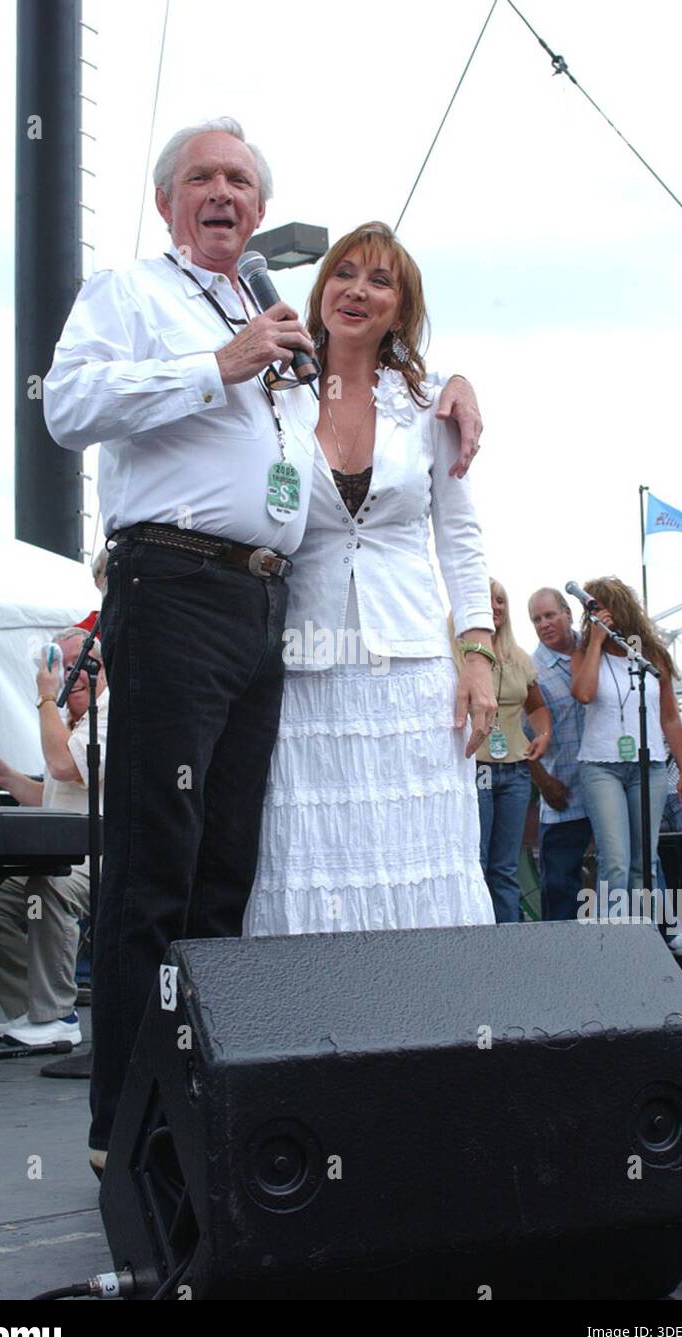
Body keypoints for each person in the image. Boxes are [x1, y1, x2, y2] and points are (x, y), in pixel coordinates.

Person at [42, 119, 483, 1173]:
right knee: (157, 863)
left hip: (263, 609)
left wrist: (453, 382)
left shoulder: (266, 318)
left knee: (222, 872)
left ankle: (209, 1096)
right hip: (179, 585)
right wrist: (213, 366)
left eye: (241, 179)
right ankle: (129, 1126)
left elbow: (356, 490)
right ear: (167, 201)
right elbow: (67, 405)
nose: (224, 193)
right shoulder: (136, 296)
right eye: (203, 177)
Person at [243, 222, 497, 936]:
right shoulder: (278, 393)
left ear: (401, 307)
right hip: (304, 661)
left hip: (412, 665)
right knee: (307, 851)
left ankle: (431, 1021)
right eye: (344, 273)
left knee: (421, 850)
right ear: (320, 288)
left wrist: (476, 651)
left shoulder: (429, 407)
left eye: (380, 280)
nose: (357, 290)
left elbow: (461, 536)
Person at [0, 630, 108, 1045]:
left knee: (49, 888)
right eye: (60, 664)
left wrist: (45, 697)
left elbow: (63, 767)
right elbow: (52, 795)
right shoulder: (69, 723)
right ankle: (30, 1008)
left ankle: (58, 1016)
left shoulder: (112, 711)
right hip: (65, 853)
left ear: (101, 666)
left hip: (106, 856)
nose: (68, 673)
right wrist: (8, 778)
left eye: (78, 662)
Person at [570, 577, 682, 955]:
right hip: (601, 766)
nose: (593, 615)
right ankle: (611, 945)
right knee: (614, 858)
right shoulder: (585, 651)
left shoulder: (652, 656)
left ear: (619, 608)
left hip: (649, 767)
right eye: (590, 611)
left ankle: (648, 945)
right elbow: (582, 693)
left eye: (600, 607)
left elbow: (670, 718)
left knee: (644, 860)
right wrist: (596, 641)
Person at [472, 580, 551, 924]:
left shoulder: (520, 658)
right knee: (477, 861)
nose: (496, 606)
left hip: (516, 769)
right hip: (477, 768)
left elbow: (538, 708)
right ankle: (475, 942)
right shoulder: (458, 656)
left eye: (501, 600)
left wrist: (544, 734)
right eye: (486, 600)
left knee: (505, 866)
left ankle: (508, 947)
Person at [527, 587, 591, 922]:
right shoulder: (530, 670)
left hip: (608, 788)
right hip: (563, 795)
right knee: (559, 885)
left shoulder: (599, 648)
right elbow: (519, 739)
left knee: (627, 871)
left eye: (550, 615)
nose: (544, 624)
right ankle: (562, 963)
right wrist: (544, 783)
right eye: (536, 619)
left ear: (568, 613)